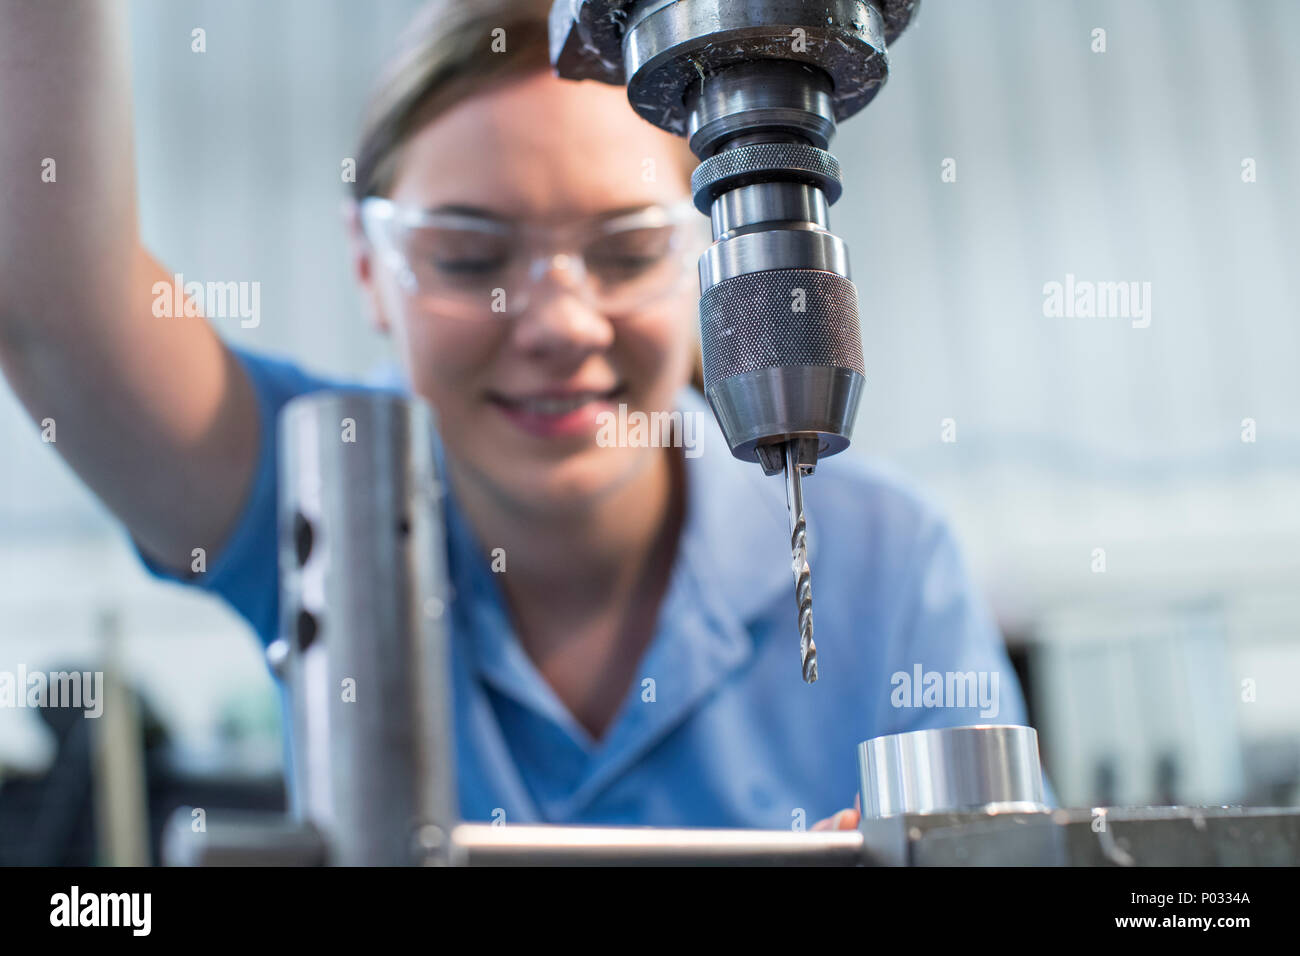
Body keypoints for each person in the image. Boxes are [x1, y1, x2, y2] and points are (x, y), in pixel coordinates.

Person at [0, 0, 1041, 831]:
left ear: (705, 262)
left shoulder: (884, 561)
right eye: (468, 255)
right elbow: (50, 306)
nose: (553, 321)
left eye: (627, 249)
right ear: (371, 269)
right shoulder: (325, 491)